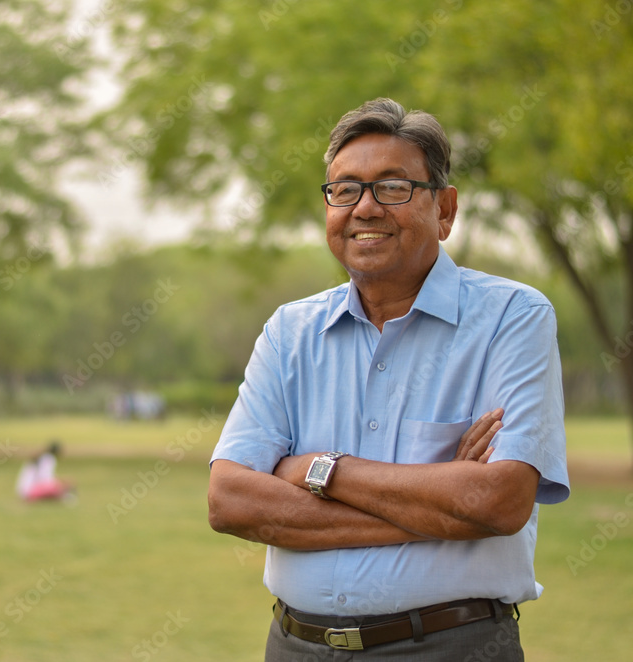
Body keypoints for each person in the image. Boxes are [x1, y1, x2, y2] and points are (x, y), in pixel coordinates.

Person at [208, 98, 569, 660]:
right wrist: (441, 508)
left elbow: (498, 502)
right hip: (296, 645)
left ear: (444, 209)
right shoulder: (290, 332)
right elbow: (230, 501)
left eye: (393, 187)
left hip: (452, 647)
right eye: (345, 190)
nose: (365, 208)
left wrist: (319, 470)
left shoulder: (512, 317)